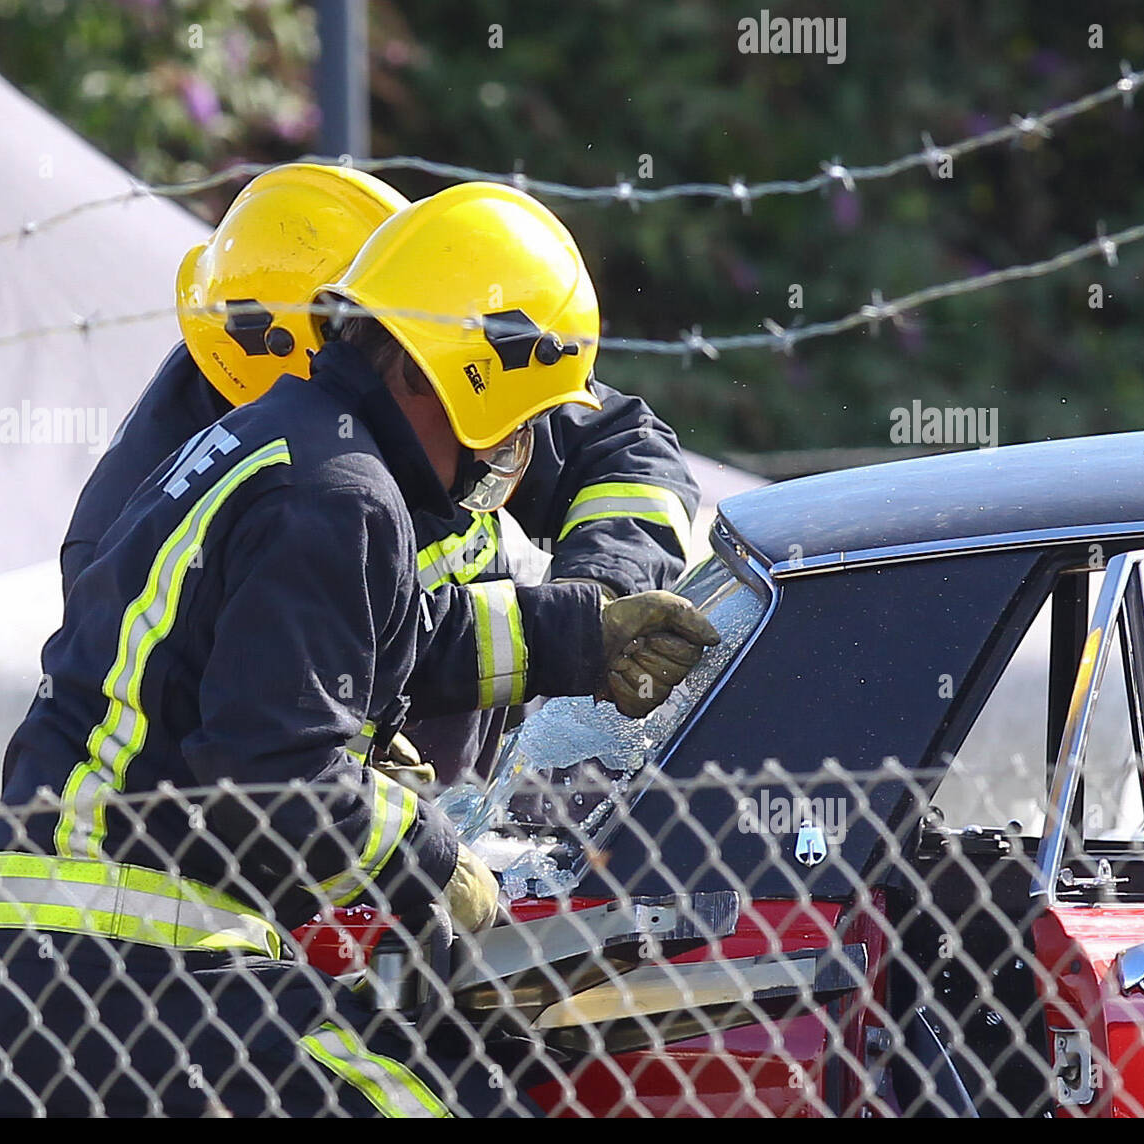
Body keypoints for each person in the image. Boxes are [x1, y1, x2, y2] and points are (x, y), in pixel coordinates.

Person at [0, 182, 719, 1118]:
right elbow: (266, 769)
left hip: (75, 971)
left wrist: (582, 637)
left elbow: (402, 636)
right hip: (123, 976)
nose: (521, 449)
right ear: (465, 377)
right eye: (519, 420)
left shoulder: (295, 442)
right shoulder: (335, 493)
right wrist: (433, 857)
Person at [61, 164, 701, 785]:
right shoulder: (160, 515)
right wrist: (345, 746)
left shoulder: (427, 368)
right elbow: (246, 734)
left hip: (460, 790)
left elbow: (626, 452)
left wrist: (601, 603)